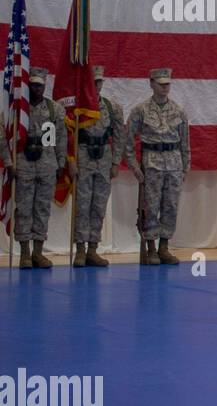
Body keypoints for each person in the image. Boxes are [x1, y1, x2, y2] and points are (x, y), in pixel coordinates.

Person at [124, 67, 190, 265]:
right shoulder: (140, 110)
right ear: (151, 84)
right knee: (150, 206)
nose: (164, 88)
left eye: (167, 84)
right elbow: (127, 142)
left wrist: (185, 167)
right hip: (151, 163)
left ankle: (164, 247)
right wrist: (135, 167)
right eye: (160, 84)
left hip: (174, 163)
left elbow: (185, 143)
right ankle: (151, 248)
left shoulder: (179, 110)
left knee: (170, 206)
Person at [72, 66, 125, 267]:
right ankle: (80, 250)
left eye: (99, 82)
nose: (96, 85)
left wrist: (115, 163)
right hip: (83, 157)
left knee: (99, 206)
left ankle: (93, 249)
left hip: (103, 158)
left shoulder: (112, 108)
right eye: (93, 82)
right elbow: (69, 136)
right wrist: (71, 161)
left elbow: (119, 137)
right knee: (82, 205)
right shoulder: (77, 108)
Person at [13, 66, 66, 269]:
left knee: (42, 208)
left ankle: (38, 252)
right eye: (33, 85)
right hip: (24, 163)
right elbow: (5, 135)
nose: (36, 89)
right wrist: (10, 163)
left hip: (47, 163)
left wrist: (61, 163)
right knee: (24, 208)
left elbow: (59, 138)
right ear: (28, 85)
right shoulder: (18, 109)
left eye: (40, 86)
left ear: (45, 86)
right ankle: (24, 253)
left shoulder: (55, 109)